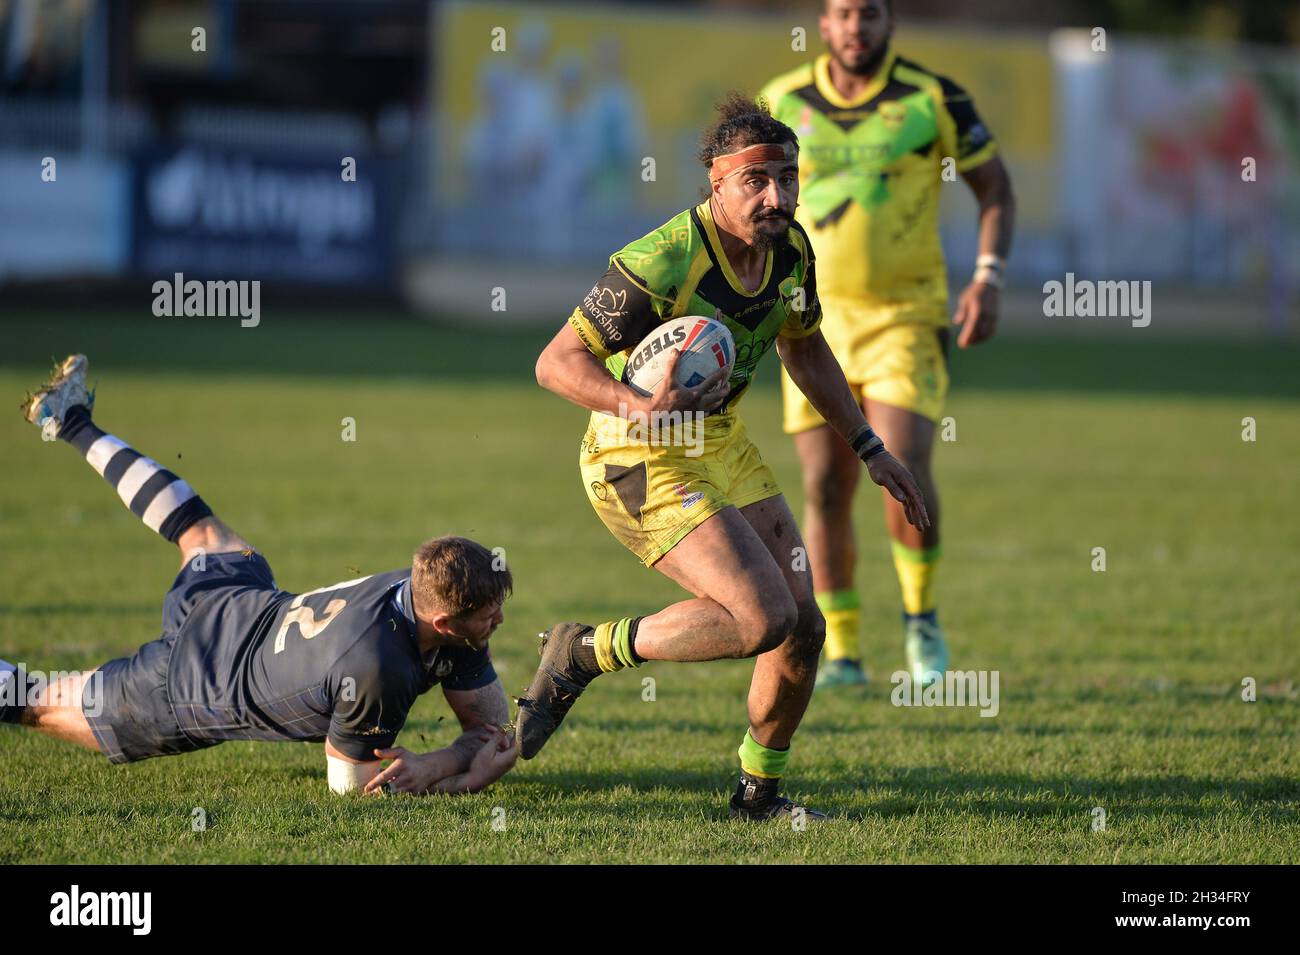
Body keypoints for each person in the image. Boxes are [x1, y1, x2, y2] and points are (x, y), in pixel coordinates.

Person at [518, 94, 929, 820]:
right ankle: (583, 650)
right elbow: (556, 363)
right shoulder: (661, 260)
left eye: (789, 179)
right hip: (636, 452)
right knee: (760, 615)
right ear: (716, 183)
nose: (778, 197)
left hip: (721, 444)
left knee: (804, 627)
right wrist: (633, 405)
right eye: (756, 182)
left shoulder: (792, 249)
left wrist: (868, 445)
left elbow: (802, 344)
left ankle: (755, 797)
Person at [2, 356, 517, 796]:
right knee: (35, 701)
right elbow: (351, 788)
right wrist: (462, 779)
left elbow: (490, 732)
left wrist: (437, 763)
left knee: (199, 532)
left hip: (237, 598)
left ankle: (68, 420)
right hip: (195, 679)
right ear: (445, 622)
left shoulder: (425, 588)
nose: (498, 619)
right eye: (487, 613)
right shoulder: (379, 669)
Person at [760, 0, 1016, 687]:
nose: (855, 27)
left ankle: (920, 617)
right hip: (811, 320)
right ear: (823, 22)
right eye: (842, 14)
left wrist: (987, 278)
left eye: (868, 13)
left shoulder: (933, 98)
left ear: (889, 22)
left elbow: (995, 189)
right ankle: (842, 650)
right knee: (823, 485)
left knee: (901, 465)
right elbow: (741, 199)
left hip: (908, 313)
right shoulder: (782, 99)